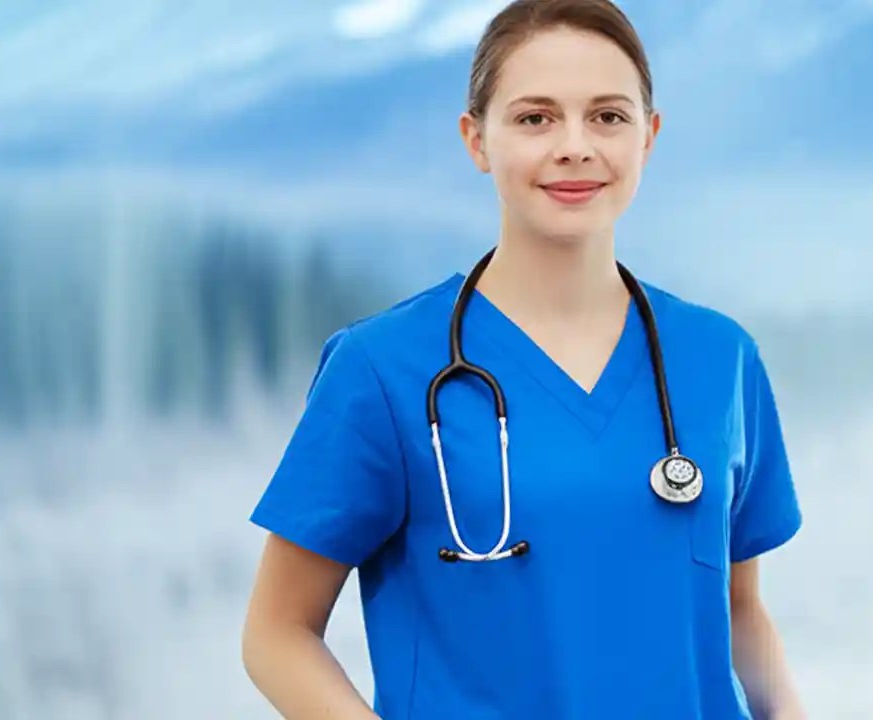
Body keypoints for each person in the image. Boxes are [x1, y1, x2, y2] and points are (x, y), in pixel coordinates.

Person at [240, 1, 808, 718]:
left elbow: (740, 613)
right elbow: (276, 632)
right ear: (476, 140)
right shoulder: (382, 369)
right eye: (535, 118)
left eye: (608, 116)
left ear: (649, 137)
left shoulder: (719, 358)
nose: (575, 146)